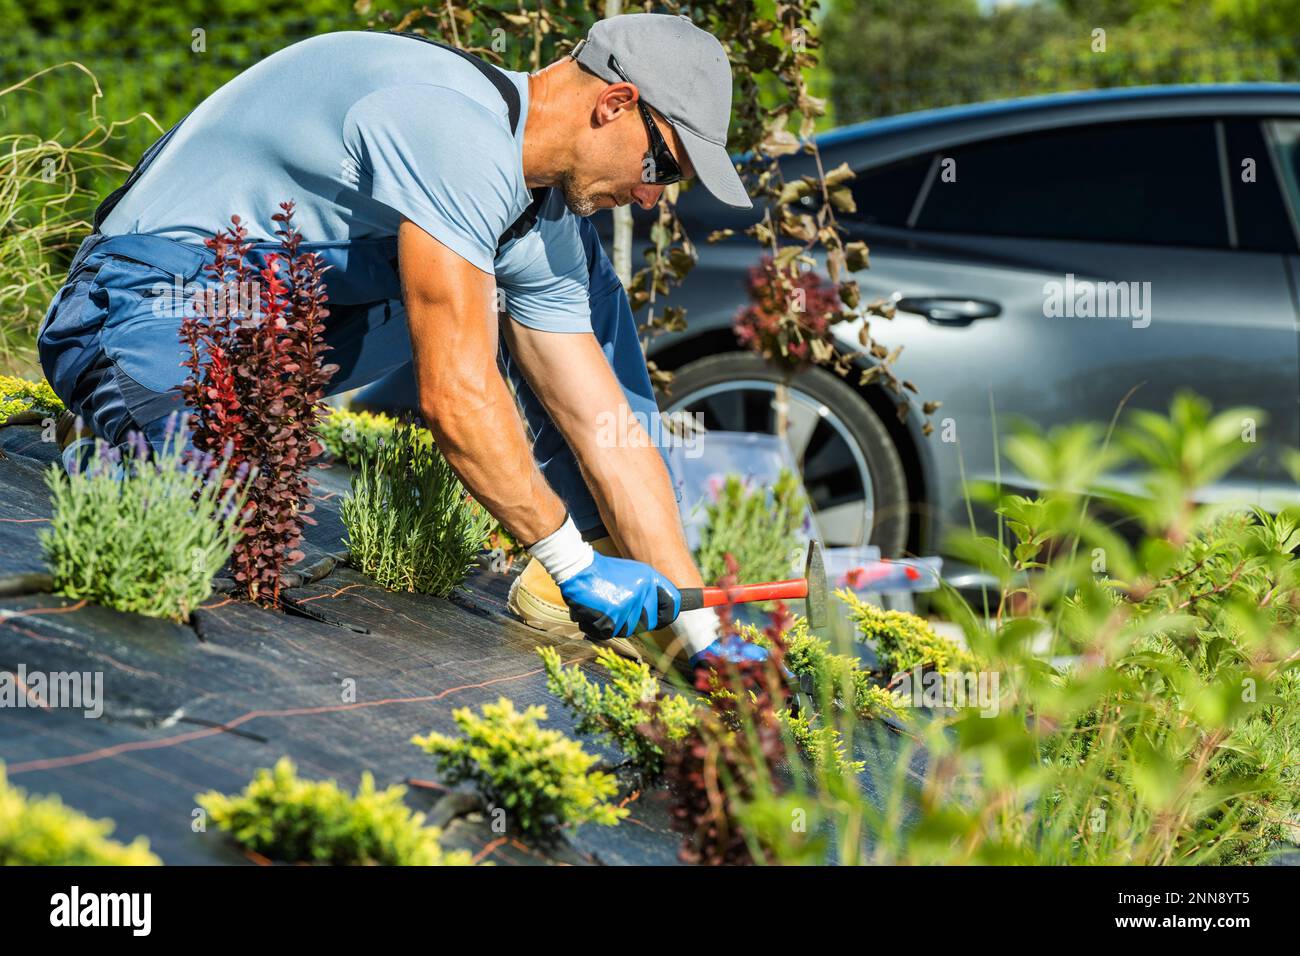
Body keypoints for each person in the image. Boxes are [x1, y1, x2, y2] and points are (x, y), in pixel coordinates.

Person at [37, 13, 772, 672]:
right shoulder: (452, 129)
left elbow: (603, 423)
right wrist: (569, 561)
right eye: (661, 166)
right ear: (615, 104)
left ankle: (607, 580)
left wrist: (701, 635)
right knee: (194, 504)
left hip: (278, 319)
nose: (653, 196)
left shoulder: (538, 212)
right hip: (150, 293)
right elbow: (455, 392)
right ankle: (123, 424)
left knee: (582, 285)